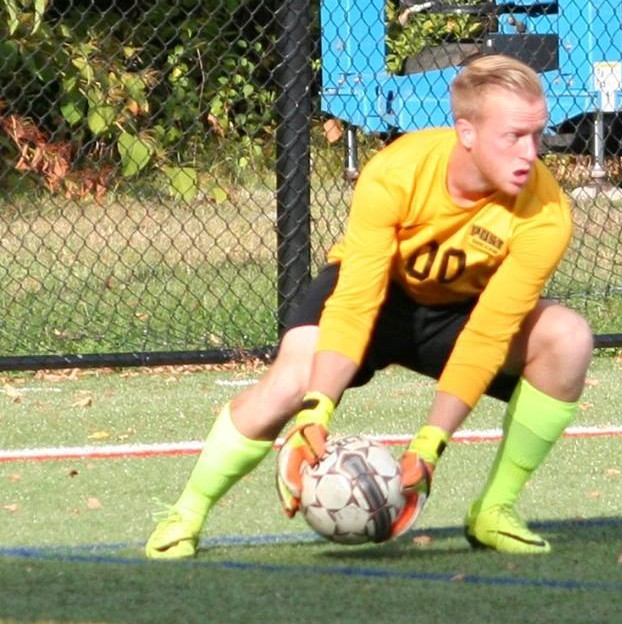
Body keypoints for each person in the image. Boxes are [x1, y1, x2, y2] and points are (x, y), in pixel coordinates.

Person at [145, 54, 594, 559]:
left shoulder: (546, 211)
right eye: (513, 135)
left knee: (567, 338)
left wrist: (428, 447)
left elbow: (489, 333)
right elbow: (357, 301)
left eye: (537, 134)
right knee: (292, 380)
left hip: (460, 315)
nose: (530, 152)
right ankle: (186, 512)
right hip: (378, 295)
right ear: (465, 131)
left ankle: (494, 510)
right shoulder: (396, 171)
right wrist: (316, 410)